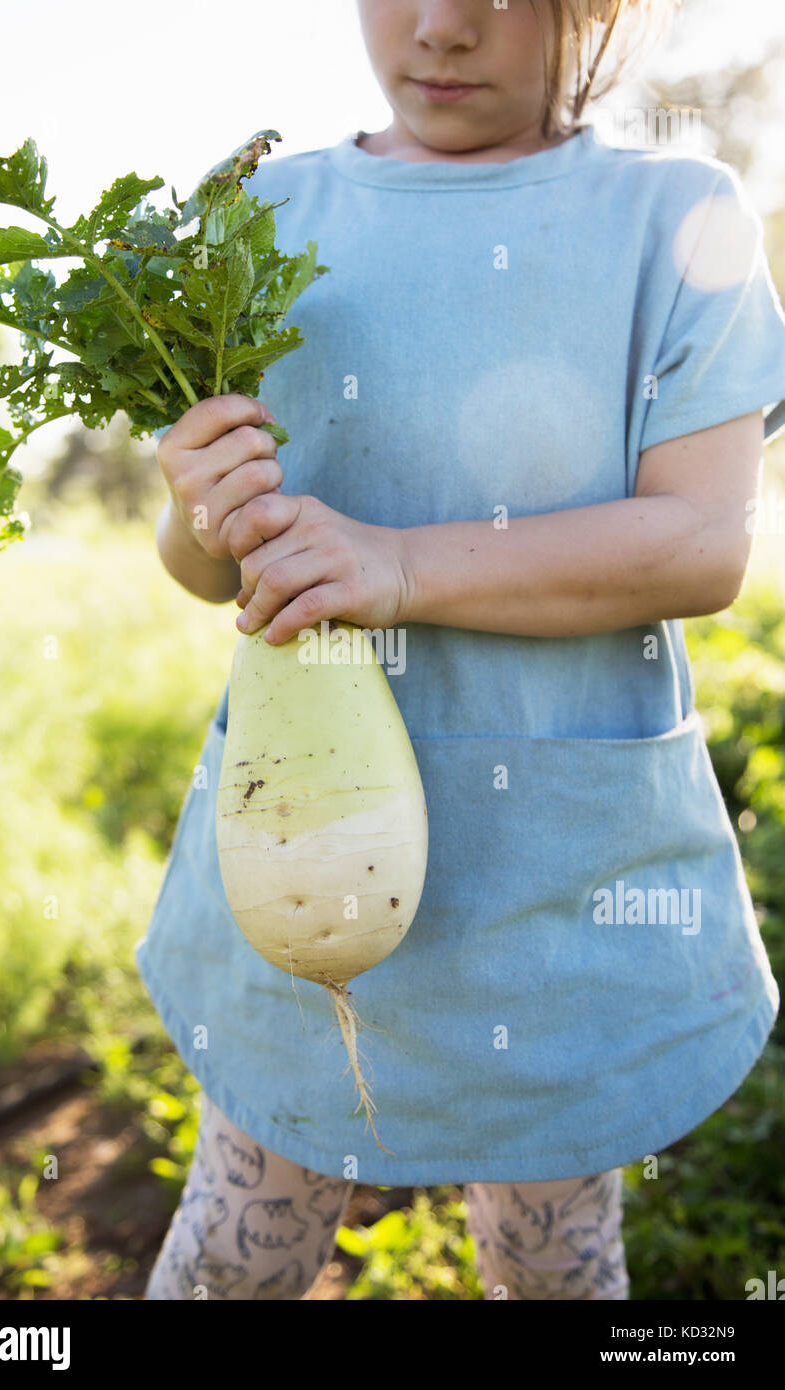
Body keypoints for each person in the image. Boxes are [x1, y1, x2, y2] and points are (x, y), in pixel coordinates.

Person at [136, 0, 785, 1300]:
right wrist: (199, 508)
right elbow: (210, 566)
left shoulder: (675, 216)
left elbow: (698, 544)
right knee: (231, 1261)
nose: (439, 29)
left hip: (555, 869)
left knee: (550, 1266)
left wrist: (401, 567)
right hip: (301, 840)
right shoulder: (265, 209)